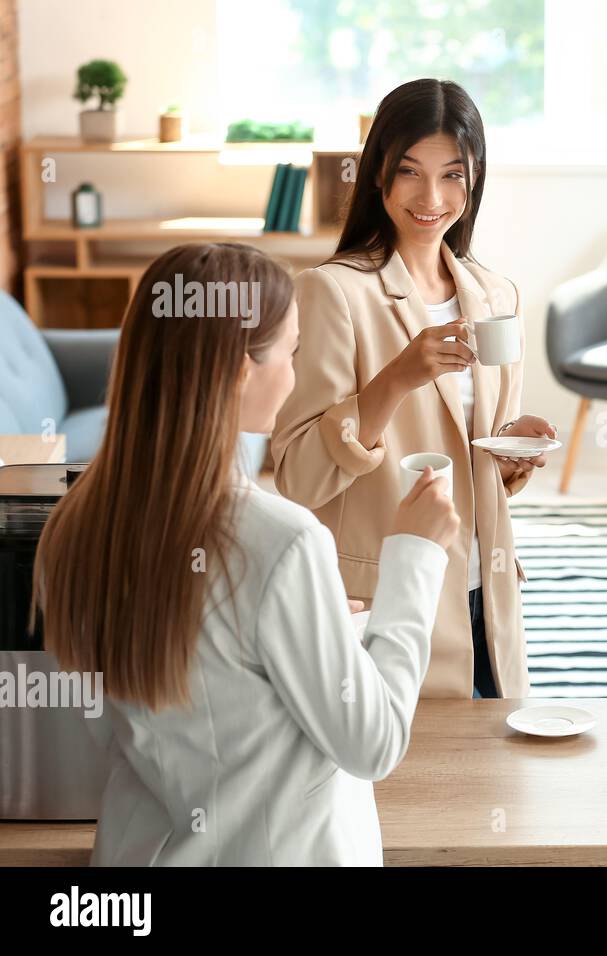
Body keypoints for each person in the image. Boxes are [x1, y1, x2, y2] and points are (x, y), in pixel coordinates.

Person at [34, 242, 460, 864]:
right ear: (240, 371)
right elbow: (374, 744)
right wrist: (414, 559)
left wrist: (305, 623)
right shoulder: (281, 541)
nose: (293, 375)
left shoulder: (71, 527)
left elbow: (149, 709)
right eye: (290, 352)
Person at [272, 79, 555, 699]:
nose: (432, 197)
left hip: (486, 593)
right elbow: (298, 476)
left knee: (493, 784)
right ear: (377, 176)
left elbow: (473, 449)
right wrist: (398, 377)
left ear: (474, 179)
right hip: (387, 601)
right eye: (409, 172)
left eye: (453, 175)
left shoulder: (495, 294)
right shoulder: (332, 293)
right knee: (401, 789)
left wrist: (512, 451)